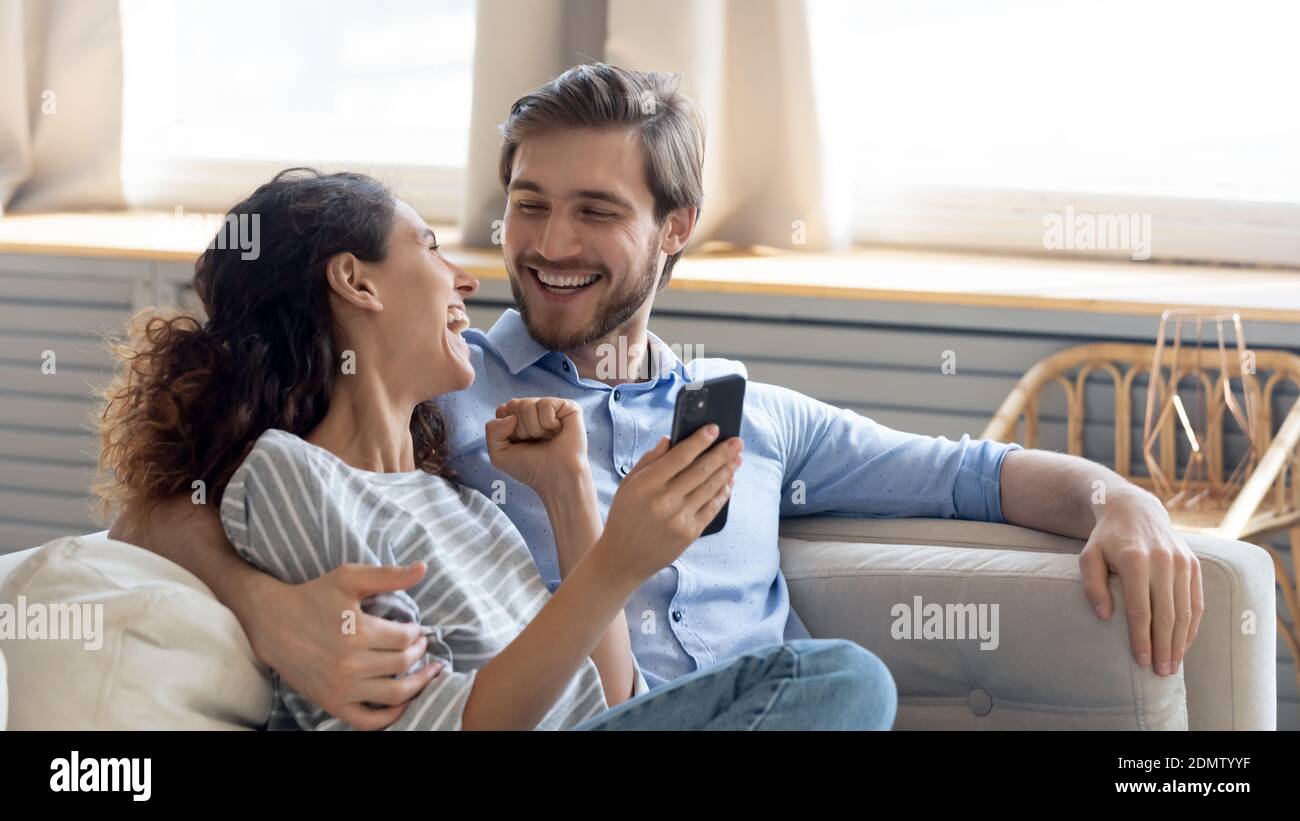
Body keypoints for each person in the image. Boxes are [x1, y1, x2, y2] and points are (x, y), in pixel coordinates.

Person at [112, 64, 1200, 731]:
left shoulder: (757, 418)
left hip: (702, 712)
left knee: (827, 685)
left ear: (673, 227)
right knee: (843, 681)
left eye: (593, 210)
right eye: (527, 205)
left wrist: (1123, 502)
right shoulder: (438, 389)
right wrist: (263, 605)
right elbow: (171, 500)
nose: (544, 245)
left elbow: (970, 474)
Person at [97, 168, 896, 730]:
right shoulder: (289, 477)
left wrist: (570, 496)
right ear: (358, 282)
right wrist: (622, 561)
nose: (464, 281)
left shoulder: (466, 507)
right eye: (430, 248)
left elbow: (614, 701)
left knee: (841, 680)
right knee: (834, 679)